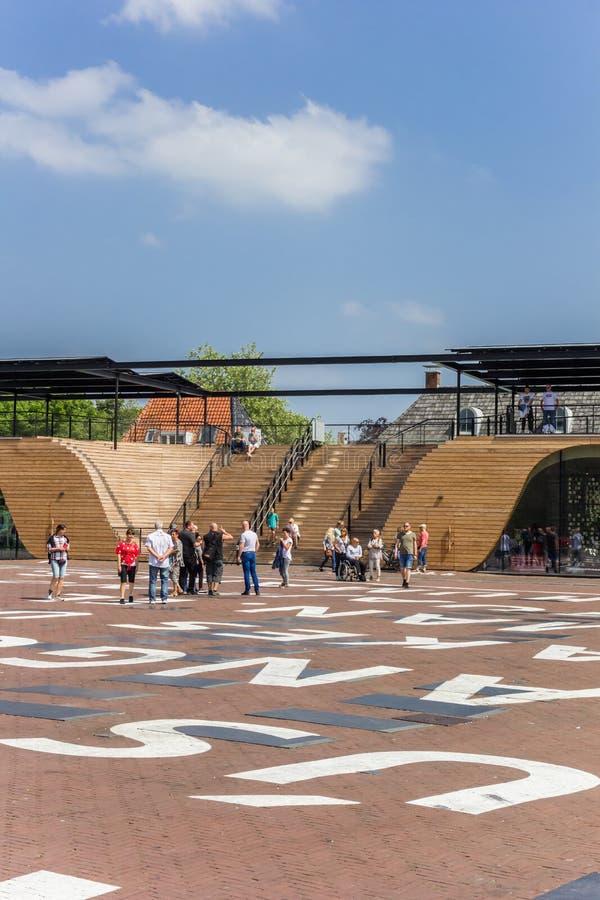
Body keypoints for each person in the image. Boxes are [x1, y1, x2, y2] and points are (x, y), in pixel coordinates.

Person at [145, 520, 173, 606]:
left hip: (154, 561)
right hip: (164, 561)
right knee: (164, 580)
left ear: (155, 526)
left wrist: (157, 556)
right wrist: (164, 556)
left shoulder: (150, 536)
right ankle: (164, 598)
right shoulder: (168, 536)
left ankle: (152, 599)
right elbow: (171, 548)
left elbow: (149, 548)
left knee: (153, 580)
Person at [202, 522, 234, 597]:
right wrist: (224, 531)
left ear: (210, 528)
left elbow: (203, 547)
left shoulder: (205, 536)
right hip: (218, 556)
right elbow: (231, 537)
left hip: (209, 557)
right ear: (216, 528)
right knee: (218, 573)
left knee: (209, 573)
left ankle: (209, 590)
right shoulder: (220, 535)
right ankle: (215, 589)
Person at [115, 527, 140, 604]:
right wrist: (119, 565)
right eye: (129, 534)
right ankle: (122, 597)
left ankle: (131, 594)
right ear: (126, 535)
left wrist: (137, 565)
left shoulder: (135, 545)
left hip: (132, 564)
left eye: (132, 534)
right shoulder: (121, 544)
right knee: (123, 581)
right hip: (124, 563)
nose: (130, 536)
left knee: (131, 581)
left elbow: (137, 556)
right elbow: (118, 554)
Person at [237, 519, 260, 596]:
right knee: (253, 572)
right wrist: (255, 551)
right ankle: (257, 589)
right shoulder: (254, 534)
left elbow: (241, 545)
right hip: (252, 553)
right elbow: (258, 544)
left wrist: (239, 556)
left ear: (243, 526)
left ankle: (247, 589)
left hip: (246, 553)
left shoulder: (243, 535)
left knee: (246, 572)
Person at [47, 524, 69, 601]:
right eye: (63, 530)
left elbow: (67, 547)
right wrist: (59, 548)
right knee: (56, 576)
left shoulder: (65, 538)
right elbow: (50, 549)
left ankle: (58, 595)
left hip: (63, 559)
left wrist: (63, 548)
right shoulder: (52, 538)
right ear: (59, 530)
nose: (64, 532)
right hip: (54, 559)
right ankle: (50, 593)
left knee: (61, 578)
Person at [180, 520, 200, 594]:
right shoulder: (190, 534)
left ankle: (182, 588)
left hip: (182, 555)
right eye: (192, 525)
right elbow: (194, 544)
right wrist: (200, 543)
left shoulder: (180, 533)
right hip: (190, 555)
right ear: (188, 526)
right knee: (192, 573)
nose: (193, 526)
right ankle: (190, 589)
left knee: (182, 573)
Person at [395, 521, 417, 589]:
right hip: (402, 553)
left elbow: (415, 544)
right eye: (404, 526)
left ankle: (407, 582)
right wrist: (395, 552)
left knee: (408, 568)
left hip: (410, 553)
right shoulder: (400, 534)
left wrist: (415, 554)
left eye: (407, 526)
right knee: (402, 569)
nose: (405, 527)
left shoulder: (413, 534)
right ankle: (404, 579)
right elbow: (397, 544)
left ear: (410, 527)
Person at [169, 528, 184, 597]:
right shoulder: (172, 541)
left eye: (173, 534)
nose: (172, 535)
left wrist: (169, 551)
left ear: (177, 535)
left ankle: (175, 591)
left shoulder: (178, 542)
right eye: (171, 534)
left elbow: (177, 550)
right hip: (171, 561)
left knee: (174, 575)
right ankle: (178, 588)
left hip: (176, 561)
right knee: (171, 575)